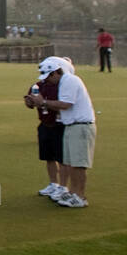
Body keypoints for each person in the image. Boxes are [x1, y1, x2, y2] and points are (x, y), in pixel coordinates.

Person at [30, 57, 95, 208]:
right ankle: (73, 193)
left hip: (81, 125)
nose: (48, 81)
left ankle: (80, 196)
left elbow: (66, 104)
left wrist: (43, 102)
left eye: (49, 77)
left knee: (79, 164)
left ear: (56, 73)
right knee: (70, 163)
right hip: (71, 125)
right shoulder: (63, 81)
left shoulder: (70, 80)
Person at [23, 58, 67, 198]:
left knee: (61, 158)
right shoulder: (37, 85)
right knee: (49, 157)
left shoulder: (63, 85)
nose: (45, 79)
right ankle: (53, 184)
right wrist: (29, 102)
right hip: (44, 124)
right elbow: (30, 104)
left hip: (59, 124)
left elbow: (63, 104)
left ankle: (63, 187)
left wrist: (44, 103)